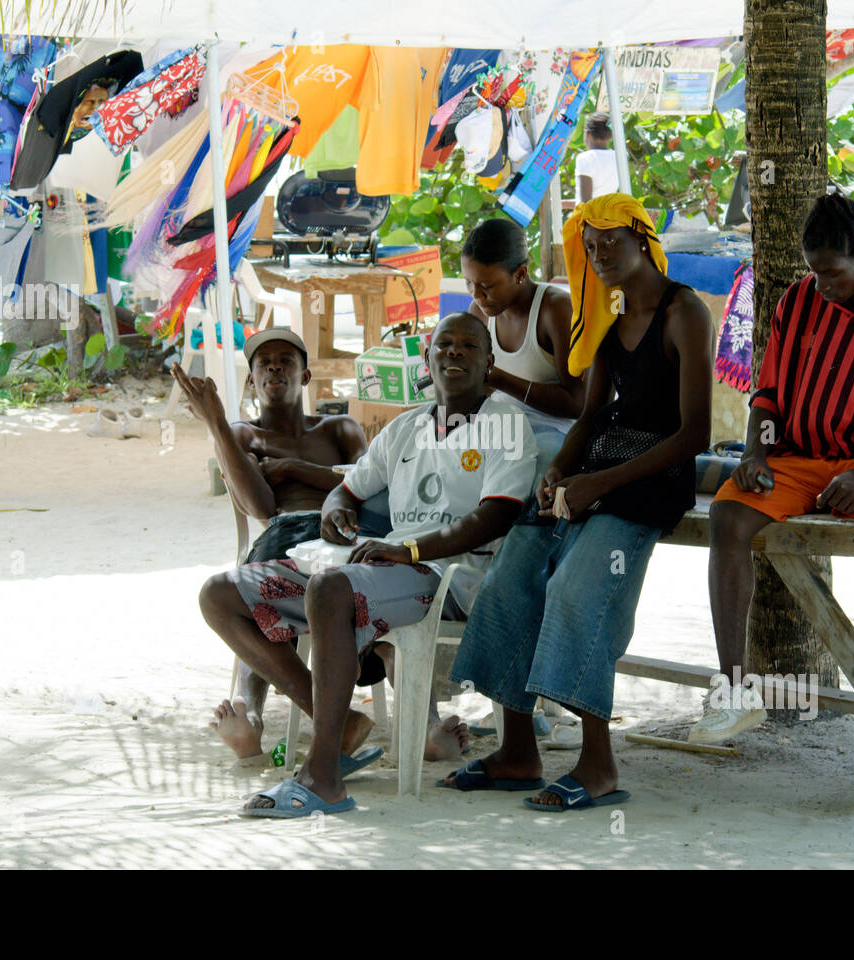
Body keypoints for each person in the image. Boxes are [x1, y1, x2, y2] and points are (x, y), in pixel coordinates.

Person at [444, 193, 712, 811]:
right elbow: (589, 415)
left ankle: (598, 765)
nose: (600, 255)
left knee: (575, 589)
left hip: (654, 474)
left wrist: (599, 483)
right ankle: (518, 752)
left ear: (643, 236)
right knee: (510, 576)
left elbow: (693, 436)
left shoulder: (684, 313)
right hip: (595, 468)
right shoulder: (608, 315)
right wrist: (562, 468)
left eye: (611, 241)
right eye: (590, 247)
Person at [227, 312, 537, 818]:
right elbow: (345, 490)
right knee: (223, 593)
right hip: (388, 568)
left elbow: (496, 516)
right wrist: (336, 515)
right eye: (444, 345)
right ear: (427, 358)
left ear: (489, 362)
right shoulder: (408, 425)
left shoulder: (504, 424)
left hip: (452, 577)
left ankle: (322, 776)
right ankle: (339, 719)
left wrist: (411, 550)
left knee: (330, 590)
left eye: (467, 346)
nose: (453, 353)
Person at [696, 193, 854, 748]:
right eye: (812, 271)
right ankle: (734, 689)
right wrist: (755, 453)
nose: (820, 284)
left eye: (830, 273)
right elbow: (768, 391)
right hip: (800, 457)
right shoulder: (797, 301)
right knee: (728, 516)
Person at [181, 328, 473, 766]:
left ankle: (425, 727)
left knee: (386, 615)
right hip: (288, 535)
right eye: (264, 363)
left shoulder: (337, 426)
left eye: (286, 360)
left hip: (355, 533)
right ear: (251, 381)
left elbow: (373, 486)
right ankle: (253, 716)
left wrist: (292, 468)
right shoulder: (242, 434)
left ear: (306, 376)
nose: (274, 367)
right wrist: (218, 425)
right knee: (249, 600)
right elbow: (260, 504)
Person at [462, 216, 586, 747]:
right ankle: (508, 685)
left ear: (522, 272)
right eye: (470, 284)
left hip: (556, 445)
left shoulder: (552, 307)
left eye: (488, 285)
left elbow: (578, 401)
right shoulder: (479, 310)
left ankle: (545, 695)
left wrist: (497, 377)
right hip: (501, 437)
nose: (479, 297)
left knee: (526, 552)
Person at [575, 112, 619, 204]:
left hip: (591, 216)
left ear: (588, 134)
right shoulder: (617, 157)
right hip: (608, 214)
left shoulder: (585, 158)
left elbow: (586, 202)